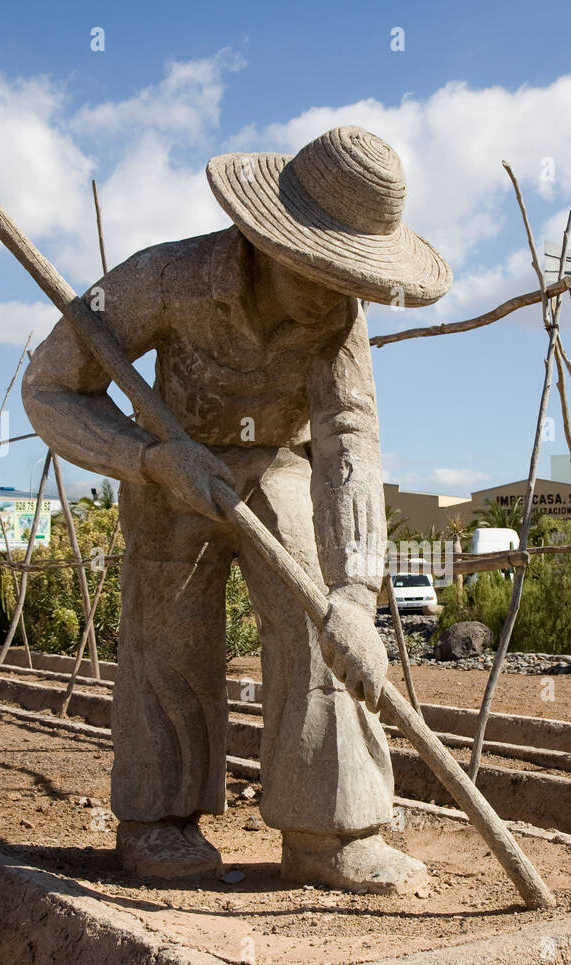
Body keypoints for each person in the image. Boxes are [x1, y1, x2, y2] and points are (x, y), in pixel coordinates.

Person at [23, 125, 451, 894]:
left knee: (322, 626)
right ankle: (160, 822)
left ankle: (331, 832)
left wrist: (356, 589)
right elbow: (52, 388)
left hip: (282, 466)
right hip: (173, 465)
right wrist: (149, 460)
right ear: (267, 244)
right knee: (169, 634)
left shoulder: (339, 322)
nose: (336, 290)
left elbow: (350, 441)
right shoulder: (163, 278)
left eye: (350, 274)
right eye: (319, 269)